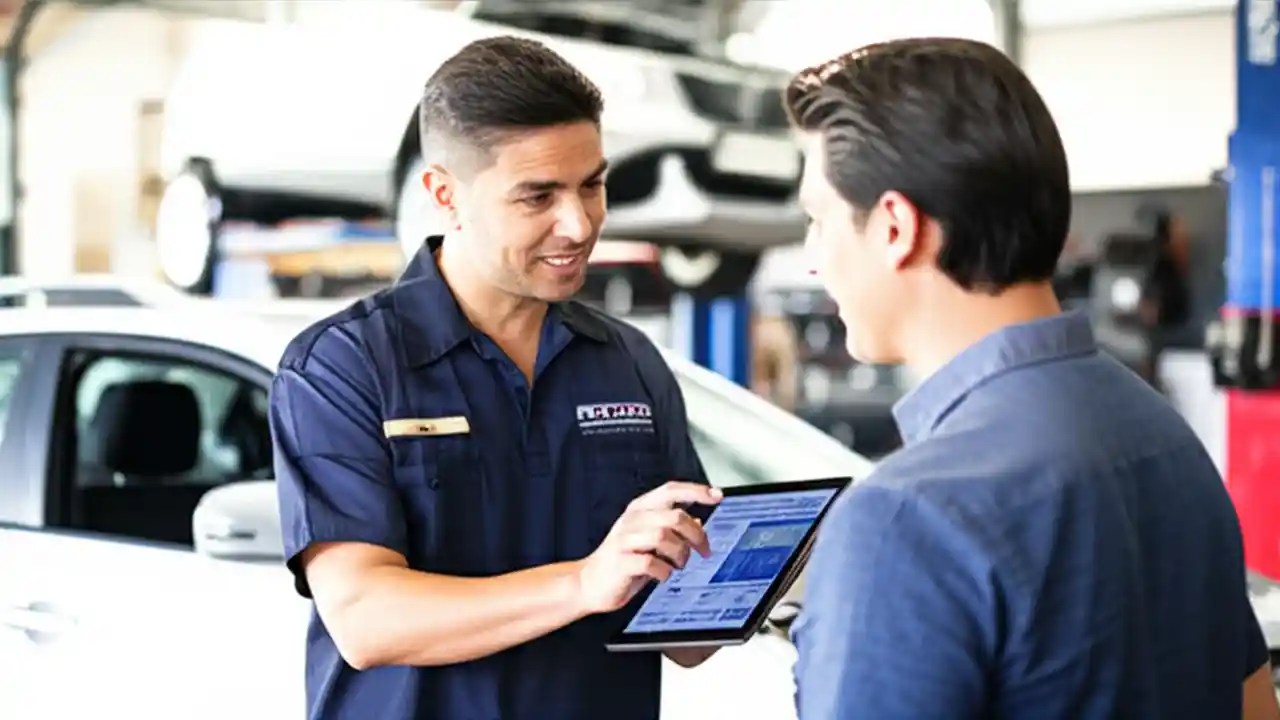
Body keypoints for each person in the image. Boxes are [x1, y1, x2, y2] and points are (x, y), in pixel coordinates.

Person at [782, 37, 1279, 720]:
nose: (813, 257)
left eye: (818, 219)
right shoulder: (1165, 438)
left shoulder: (905, 517)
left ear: (895, 226)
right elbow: (1254, 705)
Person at [268, 36, 720, 720]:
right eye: (537, 196)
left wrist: (781, 572)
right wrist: (583, 583)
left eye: (592, 185)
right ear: (444, 194)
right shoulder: (341, 367)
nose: (579, 223)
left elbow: (686, 636)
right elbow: (366, 619)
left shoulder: (628, 363)